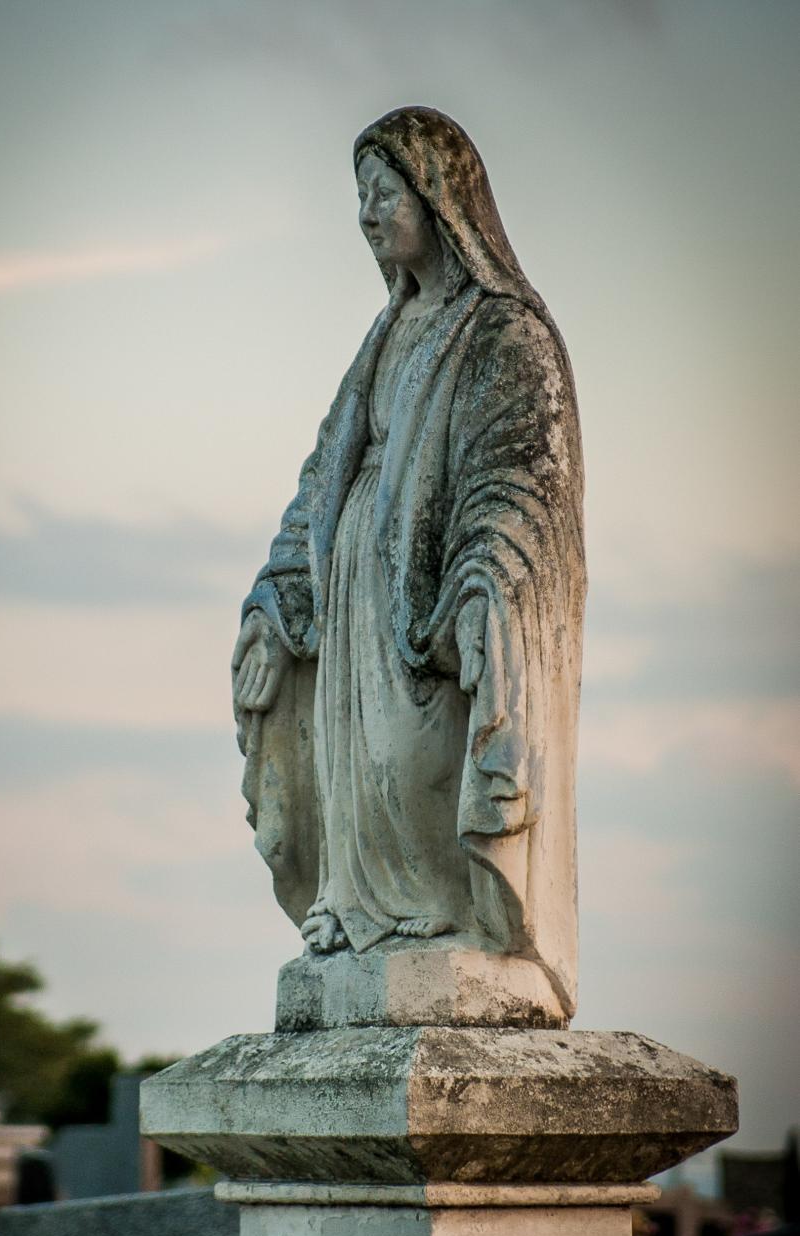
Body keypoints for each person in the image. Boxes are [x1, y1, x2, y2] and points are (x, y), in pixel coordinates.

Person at [232, 106, 585, 1017]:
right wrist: (278, 600)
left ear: (439, 199)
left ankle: (442, 915)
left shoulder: (504, 331)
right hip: (353, 593)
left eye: (384, 193)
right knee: (358, 772)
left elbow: (520, 478)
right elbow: (320, 476)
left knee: (411, 761)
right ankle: (358, 913)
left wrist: (486, 579)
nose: (367, 214)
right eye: (359, 196)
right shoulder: (385, 335)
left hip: (425, 602)